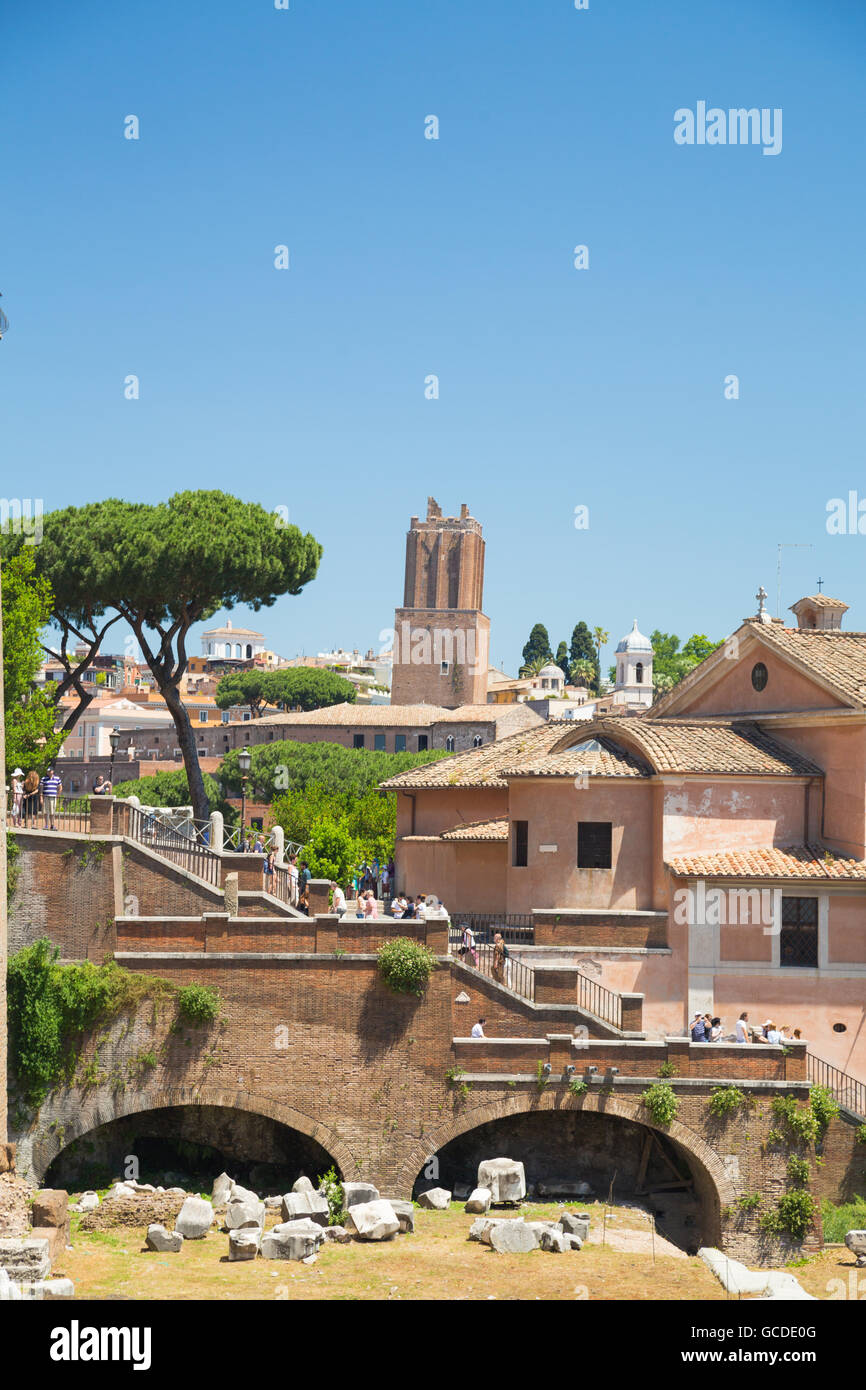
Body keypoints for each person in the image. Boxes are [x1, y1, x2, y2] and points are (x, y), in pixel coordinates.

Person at [40, 766, 62, 830]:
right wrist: (41, 797)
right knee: (45, 811)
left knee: (52, 812)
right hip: (46, 797)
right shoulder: (43, 779)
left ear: (53, 771)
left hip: (53, 797)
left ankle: (52, 825)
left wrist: (58, 795)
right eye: (48, 771)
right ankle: (46, 825)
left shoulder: (57, 778)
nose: (48, 772)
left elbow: (60, 787)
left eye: (50, 771)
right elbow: (41, 789)